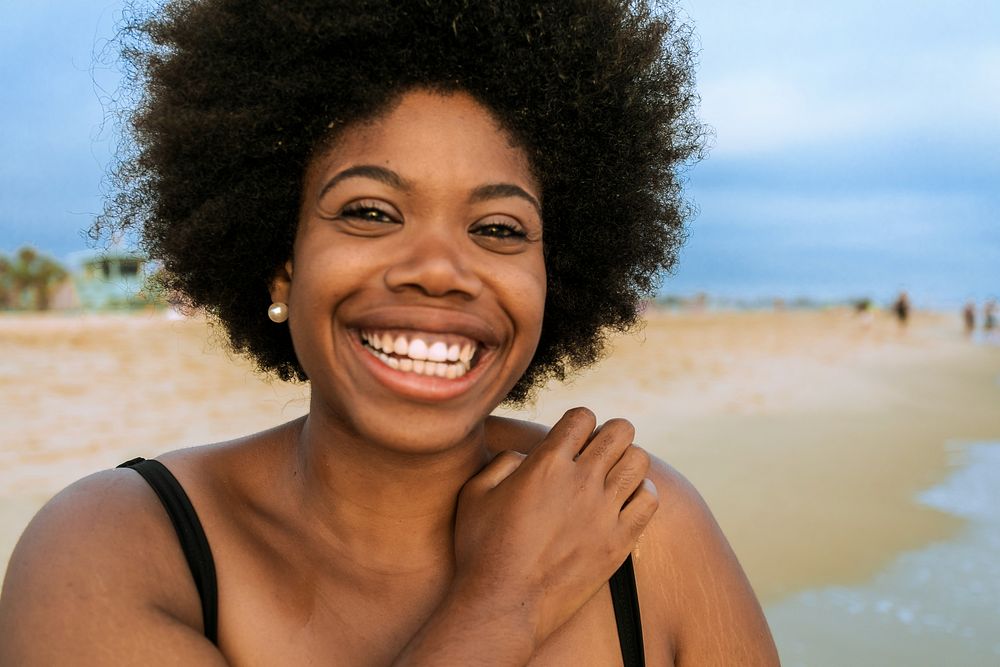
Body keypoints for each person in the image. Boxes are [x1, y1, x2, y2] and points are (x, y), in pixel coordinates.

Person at [0, 1, 778, 664]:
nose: (439, 268)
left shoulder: (641, 526)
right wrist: (506, 602)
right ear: (282, 265)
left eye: (500, 227)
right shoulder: (111, 549)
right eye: (370, 211)